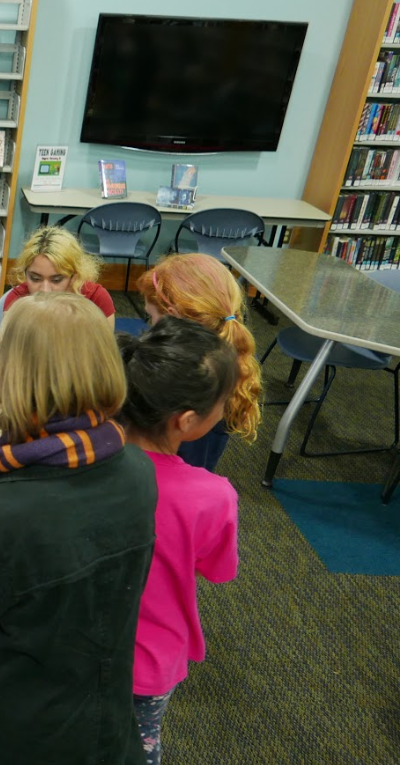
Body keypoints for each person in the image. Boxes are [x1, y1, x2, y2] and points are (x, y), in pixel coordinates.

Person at [0, 293, 157, 764]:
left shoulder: (1, 514)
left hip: (13, 731)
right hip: (101, 716)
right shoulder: (137, 470)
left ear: (15, 376)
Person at [118, 318, 240, 765]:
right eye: (222, 403)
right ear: (187, 421)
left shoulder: (84, 463)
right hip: (150, 661)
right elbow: (218, 569)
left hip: (73, 646)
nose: (224, 411)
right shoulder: (214, 497)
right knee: (140, 747)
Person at [136, 253, 262, 471]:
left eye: (151, 317)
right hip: (197, 466)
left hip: (165, 475)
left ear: (172, 318)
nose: (150, 326)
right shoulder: (235, 349)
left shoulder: (178, 373)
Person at [3, 224, 115, 326]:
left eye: (56, 280)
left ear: (74, 276)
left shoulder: (97, 299)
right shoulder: (16, 302)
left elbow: (104, 348)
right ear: (25, 273)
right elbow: (8, 347)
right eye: (35, 278)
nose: (45, 290)